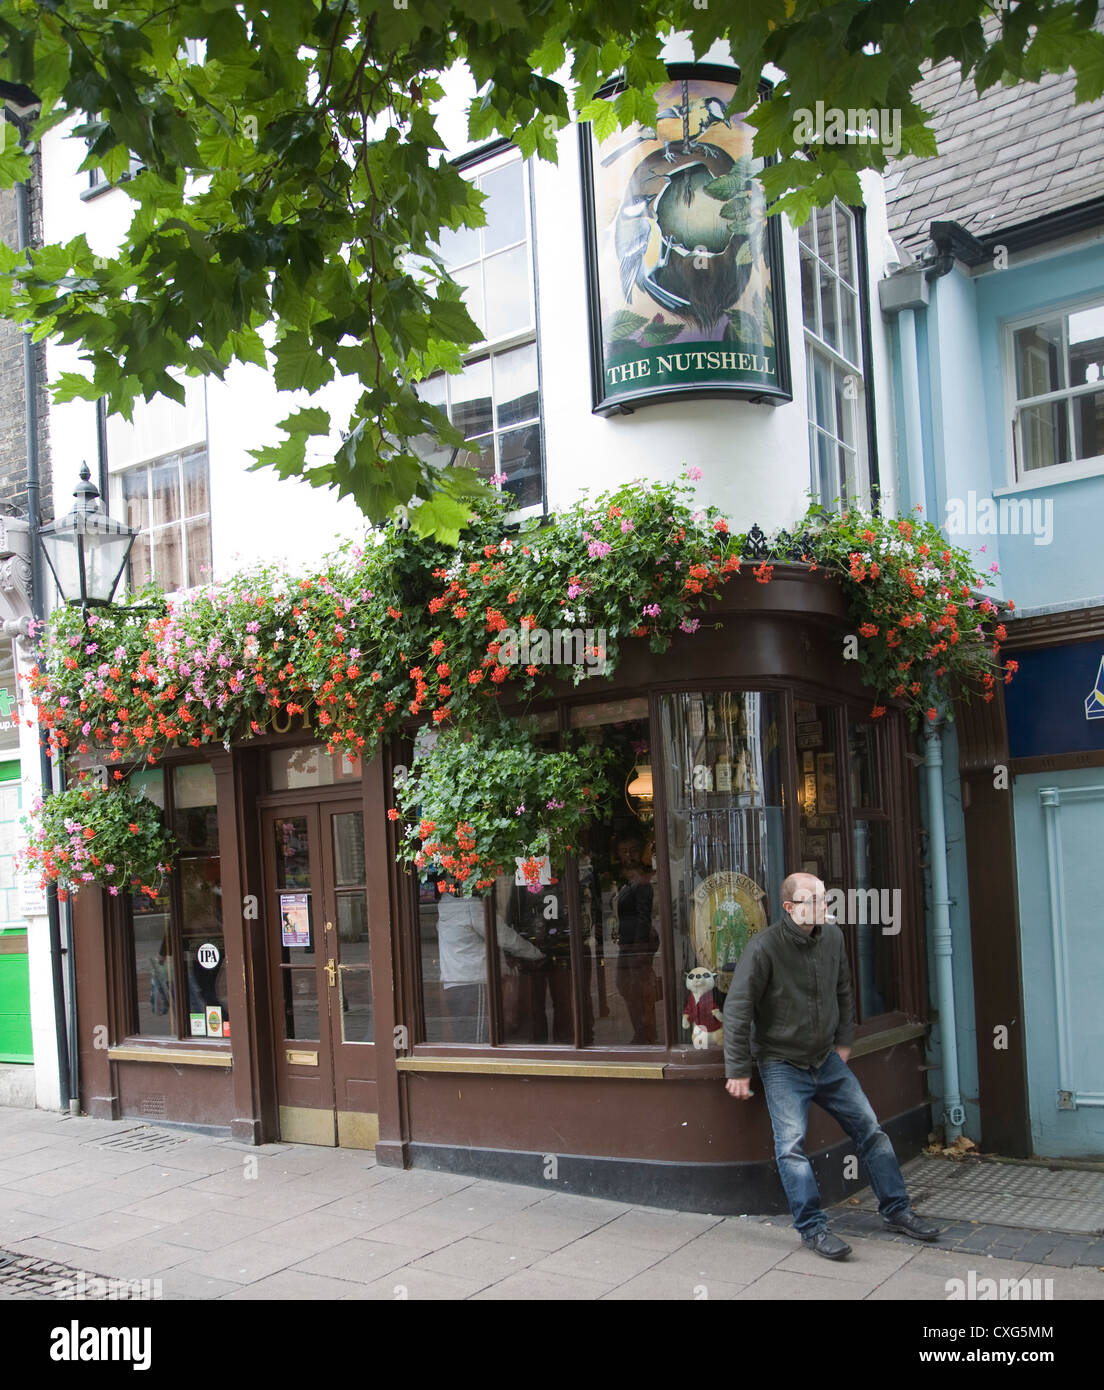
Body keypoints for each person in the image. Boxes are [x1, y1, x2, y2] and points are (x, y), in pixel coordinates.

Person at [722, 871, 939, 1261]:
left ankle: (897, 1210)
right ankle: (812, 1228)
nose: (826, 907)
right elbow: (738, 1010)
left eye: (826, 899)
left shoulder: (833, 937)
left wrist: (843, 1042)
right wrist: (737, 1069)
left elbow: (843, 990)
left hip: (825, 1059)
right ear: (790, 908)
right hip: (782, 1063)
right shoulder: (764, 948)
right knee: (791, 1148)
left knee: (871, 1131)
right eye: (816, 901)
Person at [436, 885, 544, 1043]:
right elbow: (504, 936)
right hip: (474, 982)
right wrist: (536, 954)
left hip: (453, 982)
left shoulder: (446, 906)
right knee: (479, 1040)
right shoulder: (470, 907)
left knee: (465, 1038)